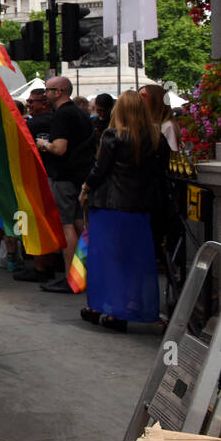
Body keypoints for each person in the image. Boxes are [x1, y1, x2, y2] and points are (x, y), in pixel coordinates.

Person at [78, 91, 169, 330]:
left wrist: (85, 188)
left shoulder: (113, 136)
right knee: (134, 260)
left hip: (110, 205)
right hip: (140, 207)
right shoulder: (156, 138)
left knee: (108, 259)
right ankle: (129, 306)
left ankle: (105, 307)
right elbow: (161, 172)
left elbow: (100, 170)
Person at [37, 76, 95, 295]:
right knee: (80, 225)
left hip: (64, 177)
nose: (45, 94)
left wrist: (44, 144)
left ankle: (71, 276)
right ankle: (84, 273)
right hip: (80, 177)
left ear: (59, 91)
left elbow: (60, 148)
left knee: (66, 225)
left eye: (48, 90)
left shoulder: (62, 115)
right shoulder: (81, 113)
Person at [140, 83, 180, 152]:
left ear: (156, 100)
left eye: (143, 96)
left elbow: (172, 152)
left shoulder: (167, 126)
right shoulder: (145, 124)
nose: (139, 100)